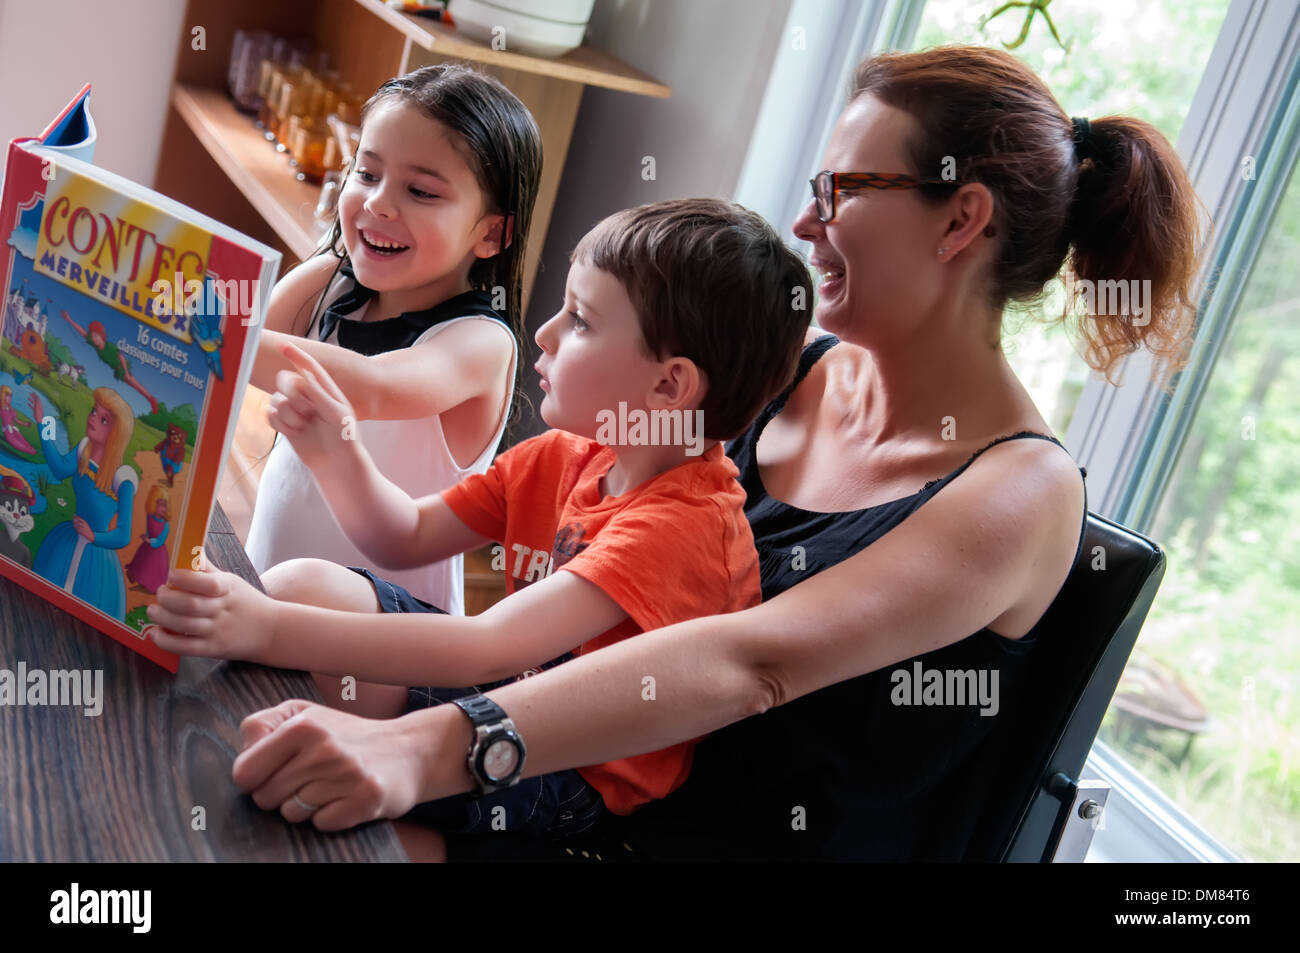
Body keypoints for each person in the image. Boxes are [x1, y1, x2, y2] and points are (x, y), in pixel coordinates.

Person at [216, 44, 1201, 862]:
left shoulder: (1021, 491)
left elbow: (750, 663)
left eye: (841, 190)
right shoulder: (785, 369)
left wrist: (427, 748)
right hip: (566, 762)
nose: (807, 220)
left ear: (960, 219)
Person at [147, 198, 813, 847]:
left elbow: (491, 644)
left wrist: (267, 628)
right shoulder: (566, 454)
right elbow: (404, 535)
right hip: (504, 690)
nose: (544, 333)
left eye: (580, 320)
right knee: (301, 586)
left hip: (569, 772)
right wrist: (338, 452)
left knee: (297, 692)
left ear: (669, 388)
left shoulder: (683, 529)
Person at [242, 63, 542, 613]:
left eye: (421, 191)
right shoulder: (326, 282)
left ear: (491, 233)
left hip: (388, 646)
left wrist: (206, 330)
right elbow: (237, 347)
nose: (379, 202)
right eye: (366, 172)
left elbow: (373, 387)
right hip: (270, 603)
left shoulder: (480, 342)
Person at [30, 387, 139, 620]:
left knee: (85, 610)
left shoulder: (123, 481)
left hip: (97, 555)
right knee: (44, 602)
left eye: (103, 419)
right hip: (66, 541)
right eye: (93, 411)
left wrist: (94, 536)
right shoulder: (83, 453)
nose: (92, 418)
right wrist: (42, 424)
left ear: (116, 433)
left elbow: (123, 535)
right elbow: (59, 468)